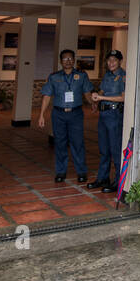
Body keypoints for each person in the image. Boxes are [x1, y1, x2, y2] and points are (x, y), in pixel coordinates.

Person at [38, 49, 92, 183]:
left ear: (74, 60)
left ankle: (81, 172)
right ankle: (61, 172)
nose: (68, 61)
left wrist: (93, 103)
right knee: (60, 143)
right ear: (61, 61)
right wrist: (41, 115)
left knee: (77, 143)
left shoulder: (82, 76)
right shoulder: (54, 77)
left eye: (70, 59)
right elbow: (46, 96)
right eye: (65, 59)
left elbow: (87, 93)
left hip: (76, 114)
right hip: (58, 114)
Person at [90, 50, 126, 192]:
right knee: (104, 149)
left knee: (115, 149)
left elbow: (123, 98)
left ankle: (118, 181)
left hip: (114, 114)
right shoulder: (107, 75)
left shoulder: (123, 76)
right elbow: (102, 92)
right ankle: (103, 178)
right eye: (109, 60)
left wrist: (102, 98)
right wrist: (96, 99)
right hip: (104, 113)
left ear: (120, 62)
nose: (111, 63)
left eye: (114, 60)